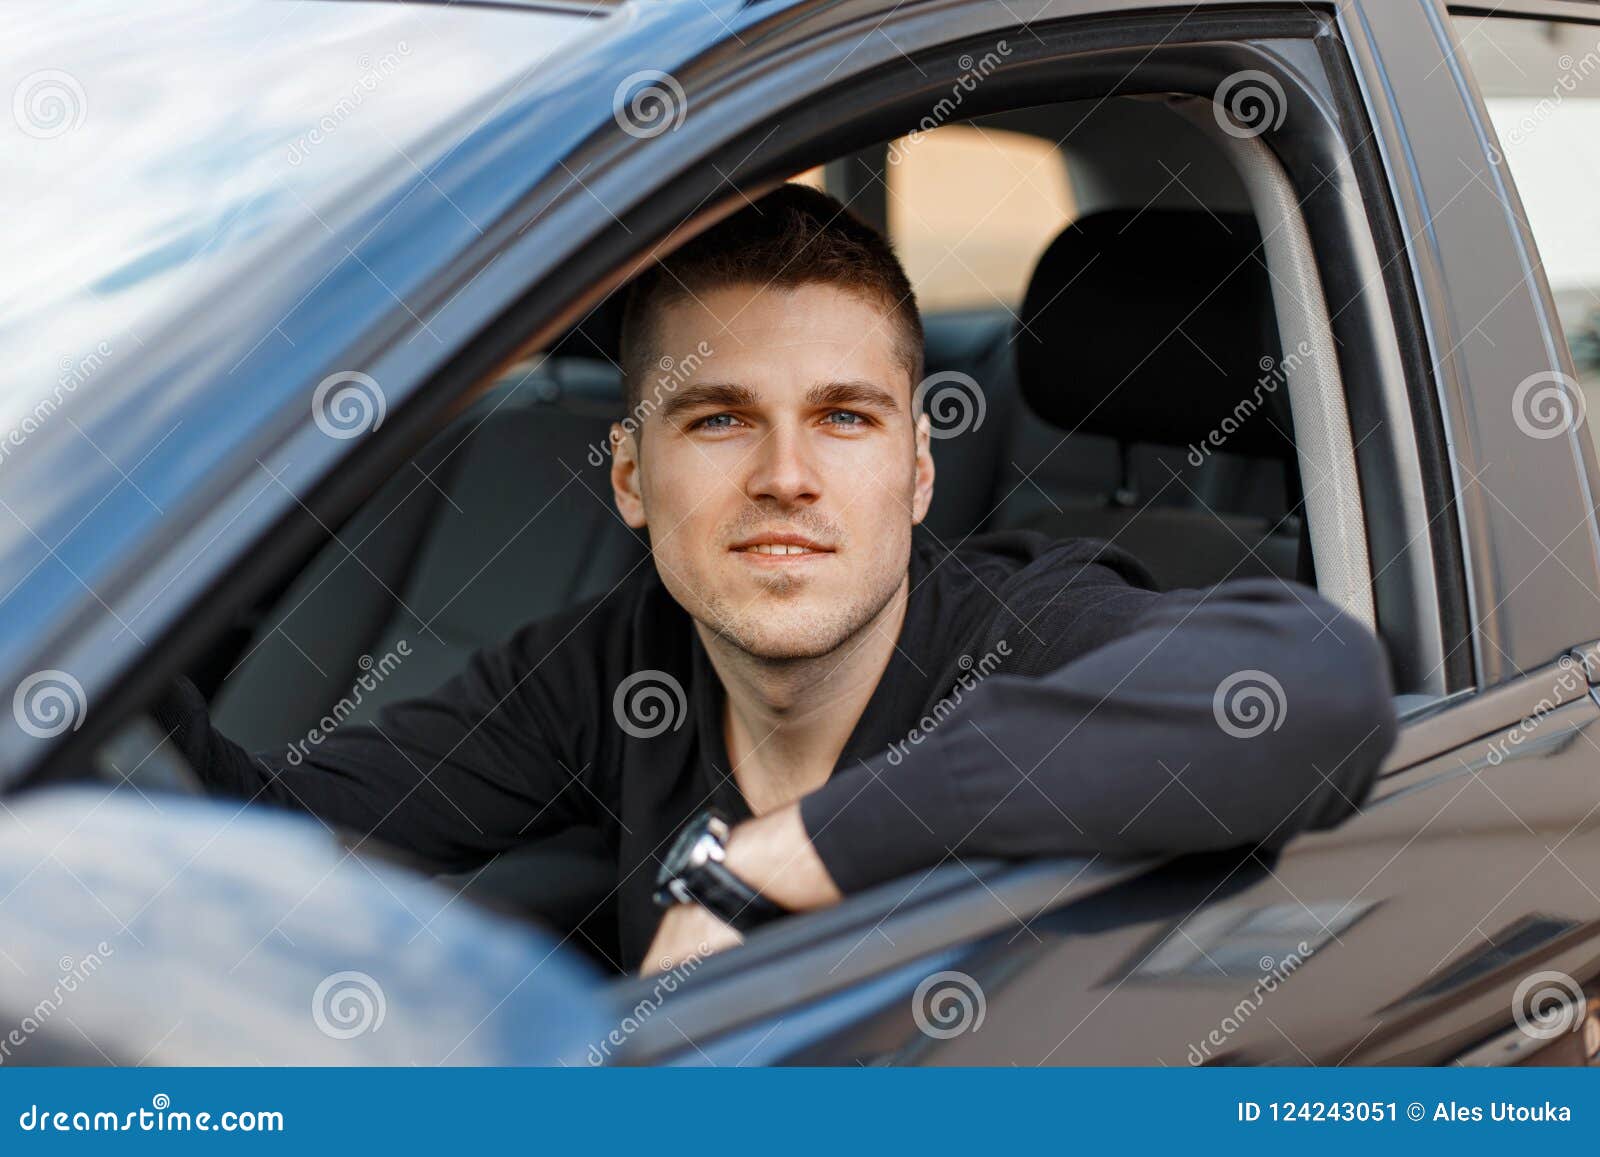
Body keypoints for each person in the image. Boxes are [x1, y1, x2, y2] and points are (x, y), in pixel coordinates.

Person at [156, 183, 1397, 975]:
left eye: (845, 418)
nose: (786, 476)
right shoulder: (620, 661)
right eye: (719, 419)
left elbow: (1317, 687)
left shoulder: (1016, 626)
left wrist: (773, 860)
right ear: (630, 477)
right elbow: (262, 832)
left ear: (918, 469)